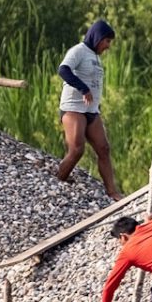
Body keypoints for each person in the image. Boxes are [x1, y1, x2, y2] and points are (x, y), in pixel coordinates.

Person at [55, 18, 121, 198]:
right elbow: (63, 70)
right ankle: (58, 180)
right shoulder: (79, 51)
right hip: (74, 107)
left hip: (91, 110)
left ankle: (112, 191)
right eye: (106, 41)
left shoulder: (95, 58)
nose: (107, 46)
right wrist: (83, 88)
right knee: (77, 149)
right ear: (97, 37)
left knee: (104, 148)